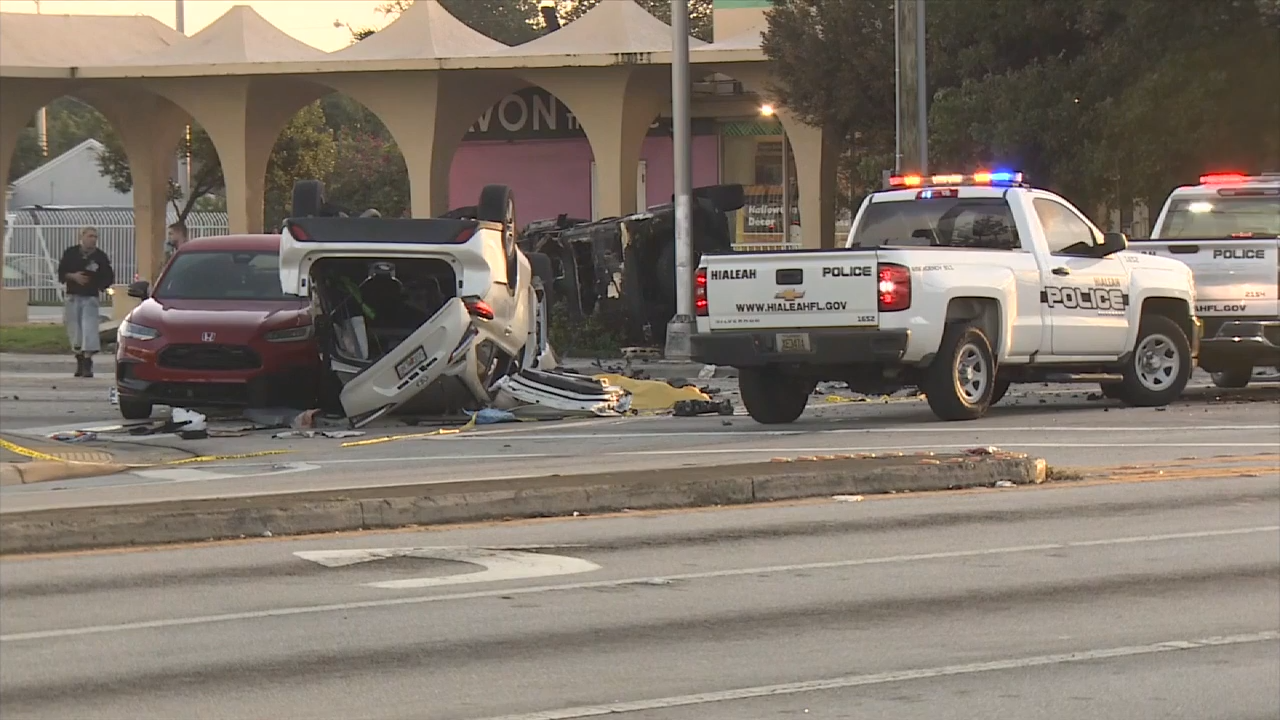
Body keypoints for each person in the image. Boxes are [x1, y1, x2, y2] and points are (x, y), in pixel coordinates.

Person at [56, 226, 115, 378]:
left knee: (89, 328)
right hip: (72, 296)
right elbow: (61, 272)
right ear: (81, 237)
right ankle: (79, 360)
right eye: (90, 236)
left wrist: (100, 286)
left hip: (90, 297)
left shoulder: (100, 256)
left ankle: (88, 362)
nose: (93, 239)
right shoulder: (71, 253)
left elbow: (108, 275)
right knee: (74, 329)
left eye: (95, 237)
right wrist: (73, 276)